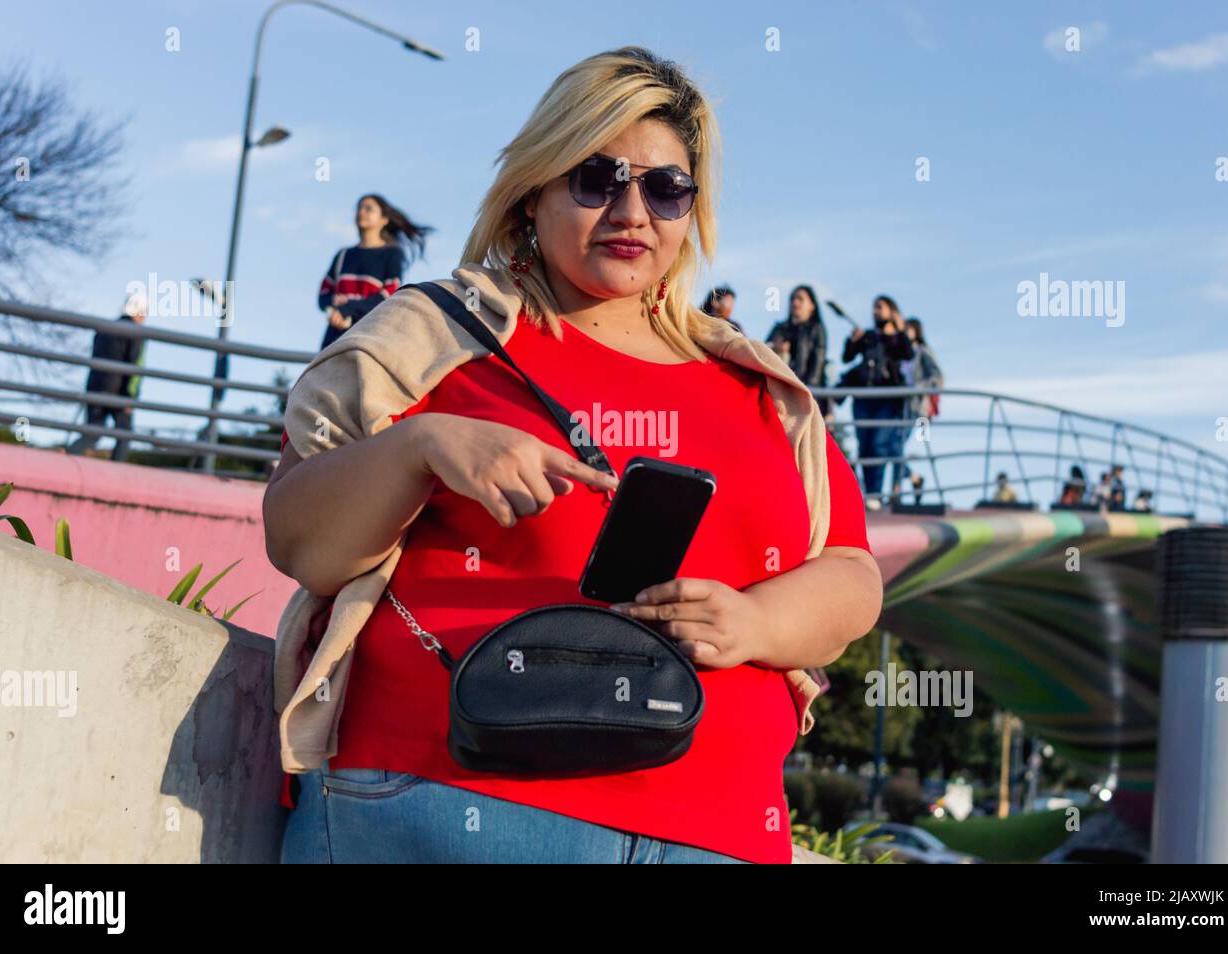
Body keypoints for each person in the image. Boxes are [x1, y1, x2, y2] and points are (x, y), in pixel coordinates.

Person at [265, 46, 882, 865]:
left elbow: (852, 576)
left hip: (720, 832)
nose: (633, 211)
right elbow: (300, 542)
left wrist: (758, 620)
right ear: (531, 195)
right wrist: (421, 448)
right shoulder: (438, 337)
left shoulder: (759, 387)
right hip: (450, 810)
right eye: (597, 179)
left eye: (666, 189)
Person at [318, 194, 432, 349]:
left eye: (368, 209)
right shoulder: (343, 255)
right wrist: (333, 303)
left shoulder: (392, 254)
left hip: (370, 336)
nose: (361, 212)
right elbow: (323, 294)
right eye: (359, 208)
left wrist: (348, 307)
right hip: (334, 336)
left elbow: (387, 297)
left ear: (384, 220)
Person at [842, 294, 914, 501]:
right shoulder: (868, 336)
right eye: (874, 307)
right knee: (864, 445)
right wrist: (852, 340)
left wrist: (901, 331)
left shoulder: (897, 337)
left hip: (887, 398)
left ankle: (875, 494)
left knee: (879, 444)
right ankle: (868, 493)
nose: (875, 311)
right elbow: (847, 357)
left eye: (880, 307)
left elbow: (908, 354)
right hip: (863, 396)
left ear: (891, 311)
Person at [67, 293, 147, 461]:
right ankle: (116, 473)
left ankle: (66, 460)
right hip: (120, 393)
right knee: (124, 436)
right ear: (139, 312)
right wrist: (130, 398)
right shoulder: (137, 333)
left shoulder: (104, 329)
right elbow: (135, 369)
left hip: (96, 387)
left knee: (93, 434)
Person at [890, 316, 943, 502]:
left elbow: (937, 377)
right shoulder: (901, 353)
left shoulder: (923, 351)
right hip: (899, 405)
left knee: (895, 446)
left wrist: (917, 388)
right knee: (892, 446)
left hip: (916, 407)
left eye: (908, 328)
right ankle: (913, 479)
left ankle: (896, 490)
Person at [766, 285, 830, 418]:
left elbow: (818, 363)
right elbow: (762, 353)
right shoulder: (780, 328)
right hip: (779, 392)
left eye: (800, 299)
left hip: (805, 391)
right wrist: (775, 348)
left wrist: (807, 393)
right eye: (793, 299)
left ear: (812, 305)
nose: (795, 303)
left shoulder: (816, 329)